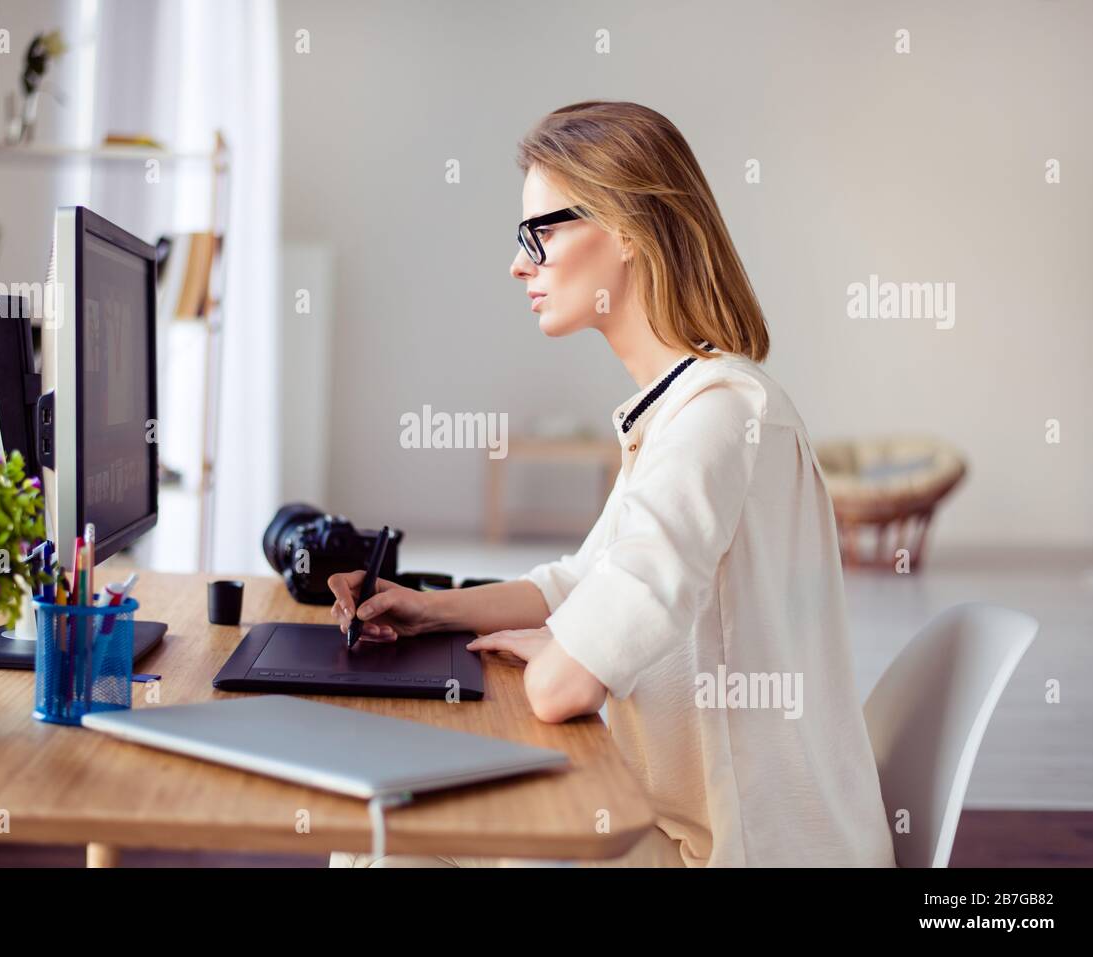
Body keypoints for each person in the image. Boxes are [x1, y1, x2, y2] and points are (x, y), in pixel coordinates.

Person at [328, 101, 896, 868]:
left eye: (543, 231)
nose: (520, 262)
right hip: (681, 824)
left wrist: (561, 648)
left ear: (628, 228)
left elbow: (561, 688)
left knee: (390, 842)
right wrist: (431, 609)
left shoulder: (720, 419)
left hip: (730, 851)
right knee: (404, 827)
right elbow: (580, 582)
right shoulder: (683, 408)